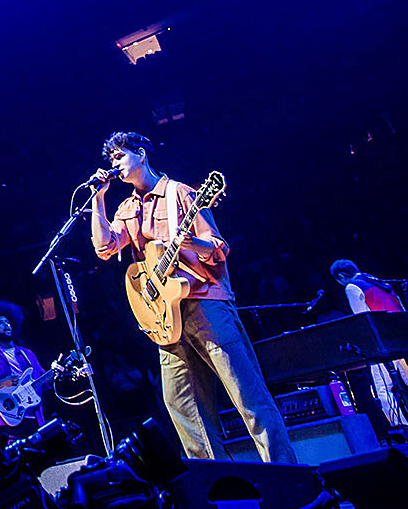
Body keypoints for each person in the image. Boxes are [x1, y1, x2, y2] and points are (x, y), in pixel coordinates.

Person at [89, 131, 296, 463]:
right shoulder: (127, 208)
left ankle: (289, 482)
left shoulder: (181, 193)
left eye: (119, 157)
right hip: (165, 320)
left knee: (249, 398)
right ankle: (219, 489)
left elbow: (217, 249)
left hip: (205, 304)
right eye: (110, 160)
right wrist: (98, 199)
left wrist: (184, 242)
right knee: (184, 410)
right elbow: (104, 247)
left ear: (141, 154)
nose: (114, 165)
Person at [330, 259, 408, 426]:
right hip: (404, 340)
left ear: (341, 277)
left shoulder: (352, 287)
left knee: (382, 388)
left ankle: (401, 428)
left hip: (383, 344)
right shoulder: (382, 283)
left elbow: (366, 320)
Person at [0, 301, 47, 433]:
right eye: (0, 322)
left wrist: (58, 370)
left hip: (34, 420)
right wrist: (2, 383)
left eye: (8, 322)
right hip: (6, 420)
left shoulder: (27, 353)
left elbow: (45, 383)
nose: (6, 324)